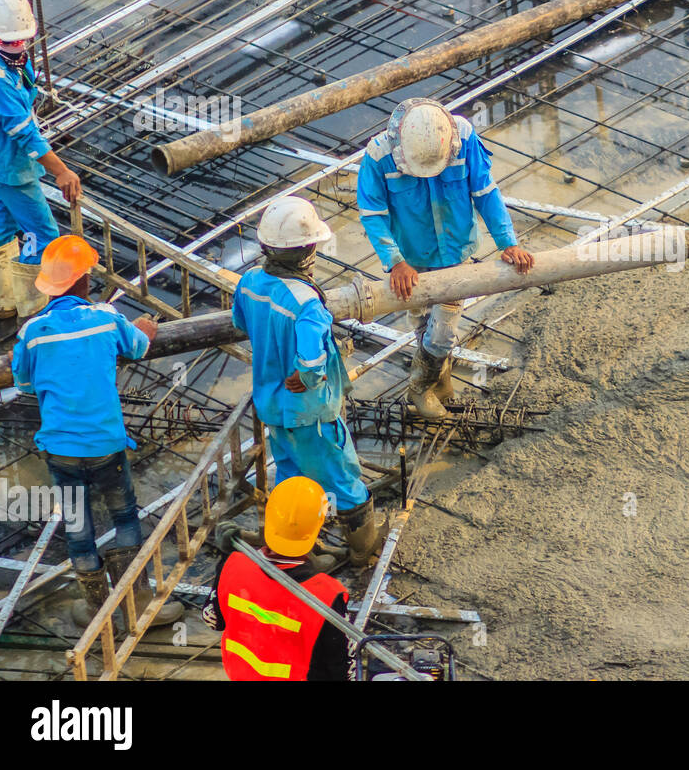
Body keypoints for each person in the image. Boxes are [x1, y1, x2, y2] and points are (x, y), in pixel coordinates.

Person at [11, 235, 182, 628]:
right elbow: (139, 345)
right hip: (106, 445)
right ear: (83, 282)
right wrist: (144, 328)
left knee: (78, 528)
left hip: (61, 451)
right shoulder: (106, 317)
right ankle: (136, 602)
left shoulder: (31, 333)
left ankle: (95, 611)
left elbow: (23, 385)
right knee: (124, 518)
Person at [356, 97, 533, 417]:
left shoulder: (463, 137)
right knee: (423, 323)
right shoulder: (378, 155)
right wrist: (395, 261)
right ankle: (442, 383)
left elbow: (485, 193)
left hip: (454, 253)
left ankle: (420, 387)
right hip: (410, 259)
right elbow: (372, 213)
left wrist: (509, 242)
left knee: (442, 331)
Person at [231, 196, 381, 567]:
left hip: (272, 405)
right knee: (343, 477)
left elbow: (240, 322)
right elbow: (312, 360)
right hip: (309, 412)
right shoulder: (308, 302)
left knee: (290, 478)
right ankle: (363, 550)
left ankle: (289, 548)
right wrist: (308, 374)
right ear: (307, 251)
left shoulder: (249, 281)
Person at [0, 0, 82, 319]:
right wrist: (61, 171)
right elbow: (26, 135)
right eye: (11, 42)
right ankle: (33, 306)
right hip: (13, 167)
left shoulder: (5, 62)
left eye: (23, 41)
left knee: (3, 223)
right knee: (43, 236)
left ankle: (7, 303)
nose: (18, 48)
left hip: (0, 163)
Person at [203, 476, 352, 681]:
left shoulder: (233, 564)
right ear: (317, 526)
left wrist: (224, 559)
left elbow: (212, 620)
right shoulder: (327, 596)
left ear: (270, 517)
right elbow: (342, 671)